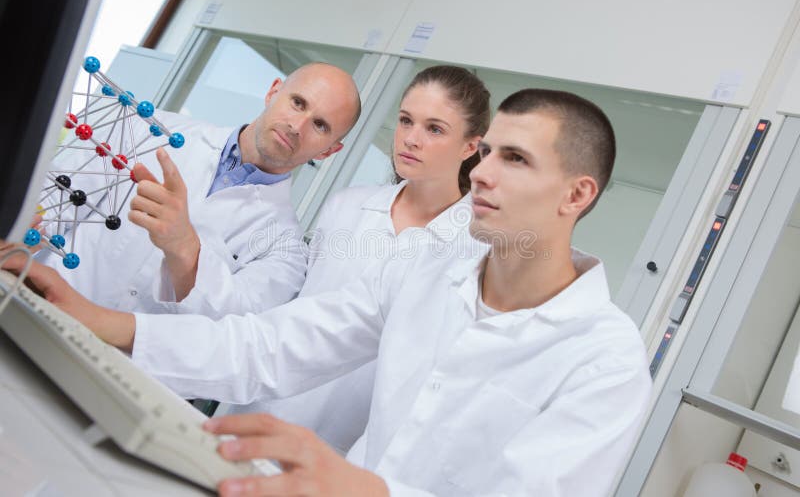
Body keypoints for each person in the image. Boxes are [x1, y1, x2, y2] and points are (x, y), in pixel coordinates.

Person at [8, 88, 652, 496]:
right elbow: (276, 344)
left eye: (515, 160)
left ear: (576, 194)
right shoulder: (426, 268)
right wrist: (105, 322)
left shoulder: (606, 360)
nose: (480, 173)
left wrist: (364, 491)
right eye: (487, 154)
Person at [225, 65, 492, 454]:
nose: (411, 139)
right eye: (405, 121)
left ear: (471, 147)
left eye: (434, 129)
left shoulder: (476, 250)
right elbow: (293, 310)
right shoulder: (346, 206)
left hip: (341, 454)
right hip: (255, 416)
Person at [38, 62, 361, 317]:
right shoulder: (151, 130)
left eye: (320, 125)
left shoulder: (284, 250)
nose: (297, 125)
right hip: (35, 298)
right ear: (273, 91)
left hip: (111, 369)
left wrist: (186, 249)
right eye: (298, 102)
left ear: (328, 151)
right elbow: (52, 194)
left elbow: (230, 331)